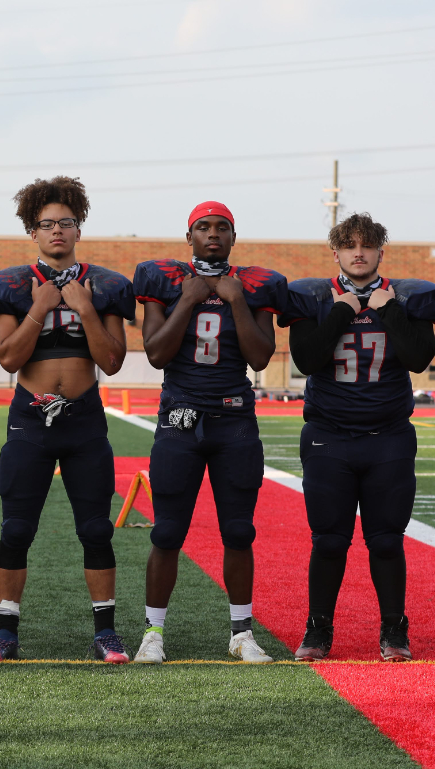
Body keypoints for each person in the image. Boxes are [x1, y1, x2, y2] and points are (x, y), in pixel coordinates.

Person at [0, 177, 135, 663]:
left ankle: (105, 632)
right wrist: (40, 307)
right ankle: (5, 632)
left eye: (66, 222)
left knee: (97, 529)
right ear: (33, 231)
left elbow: (112, 361)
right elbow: (7, 358)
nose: (57, 231)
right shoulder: (10, 285)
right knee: (16, 529)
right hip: (30, 418)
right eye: (47, 224)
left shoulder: (106, 285)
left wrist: (85, 309)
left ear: (79, 228)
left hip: (84, 420)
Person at [282, 213, 435, 662]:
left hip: (388, 436)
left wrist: (387, 309)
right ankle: (318, 628)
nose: (359, 252)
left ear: (380, 252)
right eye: (350, 245)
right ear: (335, 252)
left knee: (386, 539)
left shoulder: (406, 298)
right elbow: (307, 359)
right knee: (329, 539)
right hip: (328, 435)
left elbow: (418, 358)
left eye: (367, 245)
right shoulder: (314, 297)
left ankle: (394, 628)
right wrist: (343, 310)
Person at [131, 201, 286, 664]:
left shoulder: (254, 286)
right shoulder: (164, 280)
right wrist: (188, 299)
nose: (213, 234)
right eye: (203, 227)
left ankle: (241, 633)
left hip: (234, 420)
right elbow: (156, 353)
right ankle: (152, 633)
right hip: (179, 418)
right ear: (190, 237)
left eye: (222, 228)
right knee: (167, 532)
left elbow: (260, 357)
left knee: (238, 531)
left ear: (234, 238)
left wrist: (235, 299)